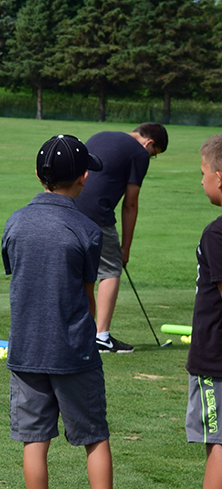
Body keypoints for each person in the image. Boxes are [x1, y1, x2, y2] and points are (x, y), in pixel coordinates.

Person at [2, 135, 143, 489]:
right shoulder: (85, 228)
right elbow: (85, 295)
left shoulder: (15, 221)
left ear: (39, 175)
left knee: (34, 441)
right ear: (83, 179)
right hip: (73, 351)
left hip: (26, 350)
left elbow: (17, 274)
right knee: (94, 438)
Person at [158, 133, 222, 489]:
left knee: (219, 443)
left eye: (202, 174)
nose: (200, 183)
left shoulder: (217, 233)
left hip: (216, 362)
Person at [73, 123, 168, 353]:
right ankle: (102, 337)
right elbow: (130, 204)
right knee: (110, 269)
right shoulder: (138, 153)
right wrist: (125, 248)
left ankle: (79, 333)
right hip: (98, 215)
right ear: (150, 143)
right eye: (153, 155)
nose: (149, 157)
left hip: (69, 208)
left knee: (80, 272)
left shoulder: (100, 135)